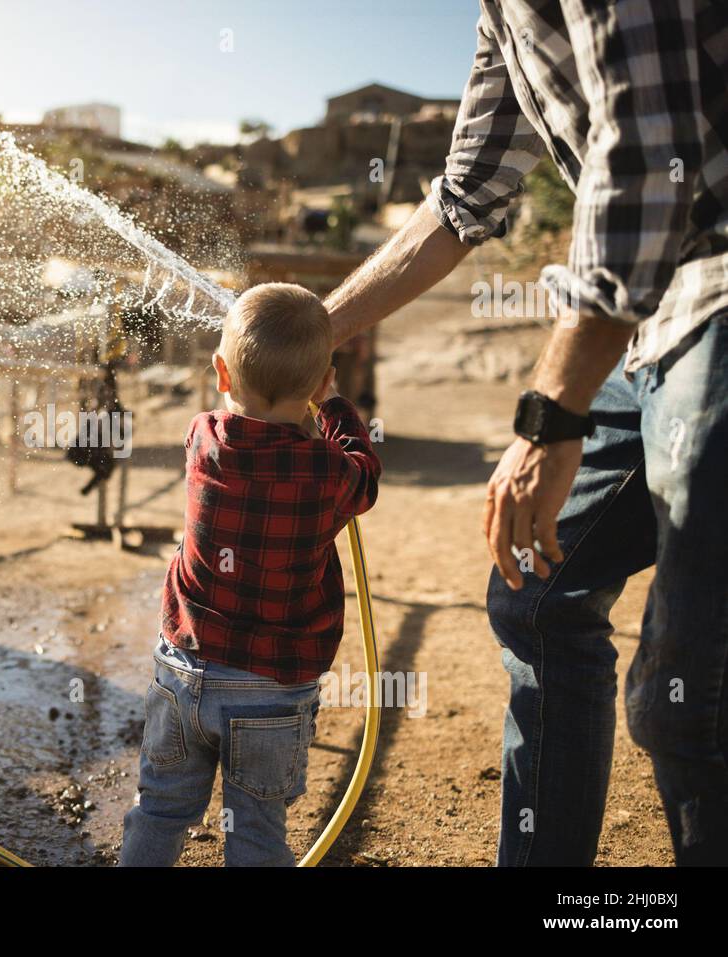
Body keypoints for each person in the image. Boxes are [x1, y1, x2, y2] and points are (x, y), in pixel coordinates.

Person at [323, 1, 728, 864]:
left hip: (719, 294)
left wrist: (551, 419)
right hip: (654, 316)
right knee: (539, 593)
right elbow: (468, 192)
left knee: (693, 701)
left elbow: (652, 161)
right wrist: (318, 331)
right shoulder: (500, 13)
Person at [120, 283, 381, 866]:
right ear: (318, 384)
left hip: (184, 668)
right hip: (273, 687)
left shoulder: (201, 438)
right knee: (258, 833)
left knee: (159, 810)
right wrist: (334, 407)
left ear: (221, 372)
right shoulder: (328, 474)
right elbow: (365, 472)